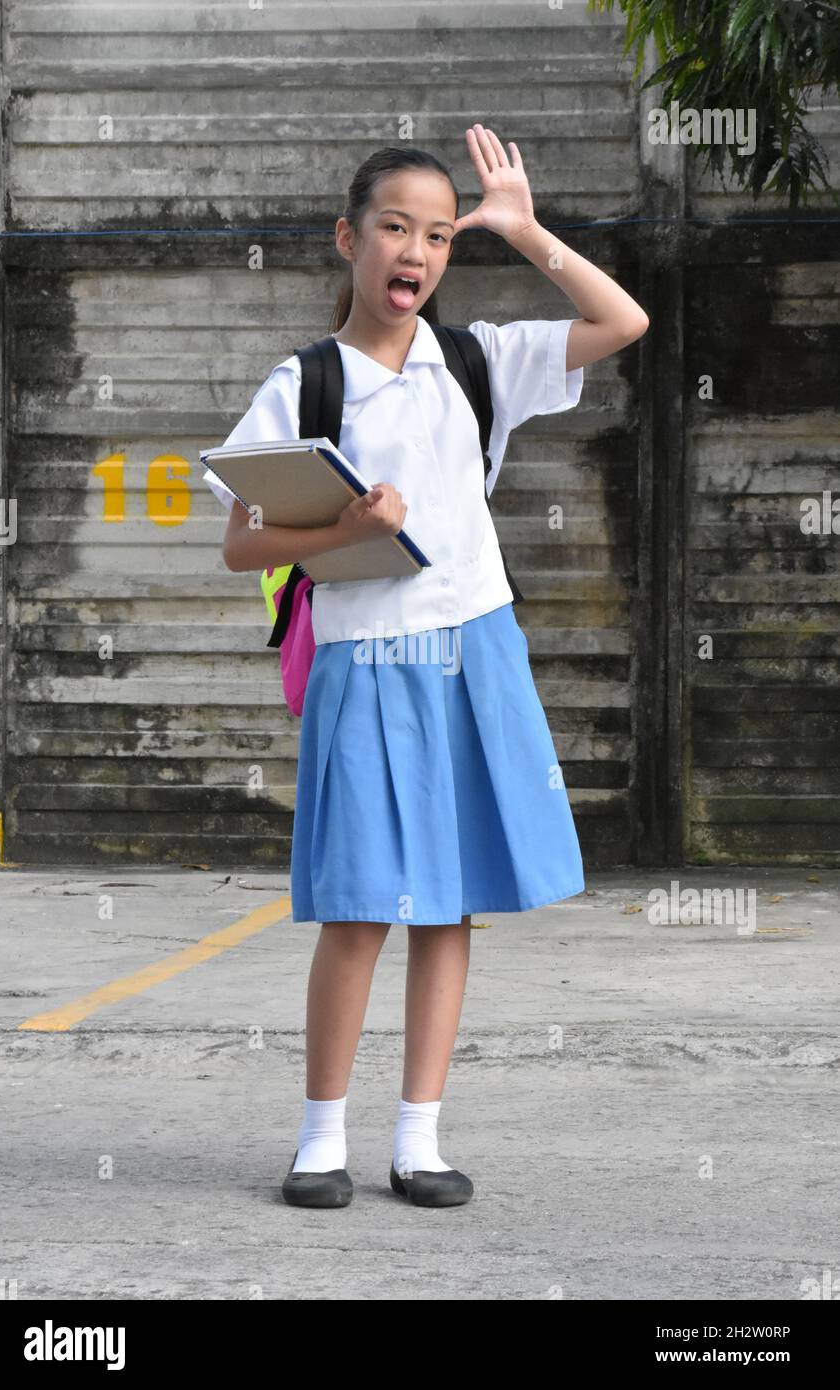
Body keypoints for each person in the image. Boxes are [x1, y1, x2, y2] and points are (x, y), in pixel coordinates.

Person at [204, 124, 649, 1209]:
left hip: (471, 652)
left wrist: (525, 229)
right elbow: (241, 540)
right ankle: (320, 1139)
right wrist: (344, 526)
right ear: (347, 239)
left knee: (447, 907)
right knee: (359, 907)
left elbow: (620, 320)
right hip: (363, 659)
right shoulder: (303, 384)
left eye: (441, 235)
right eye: (395, 228)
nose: (416, 251)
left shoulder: (478, 360)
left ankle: (419, 1138)